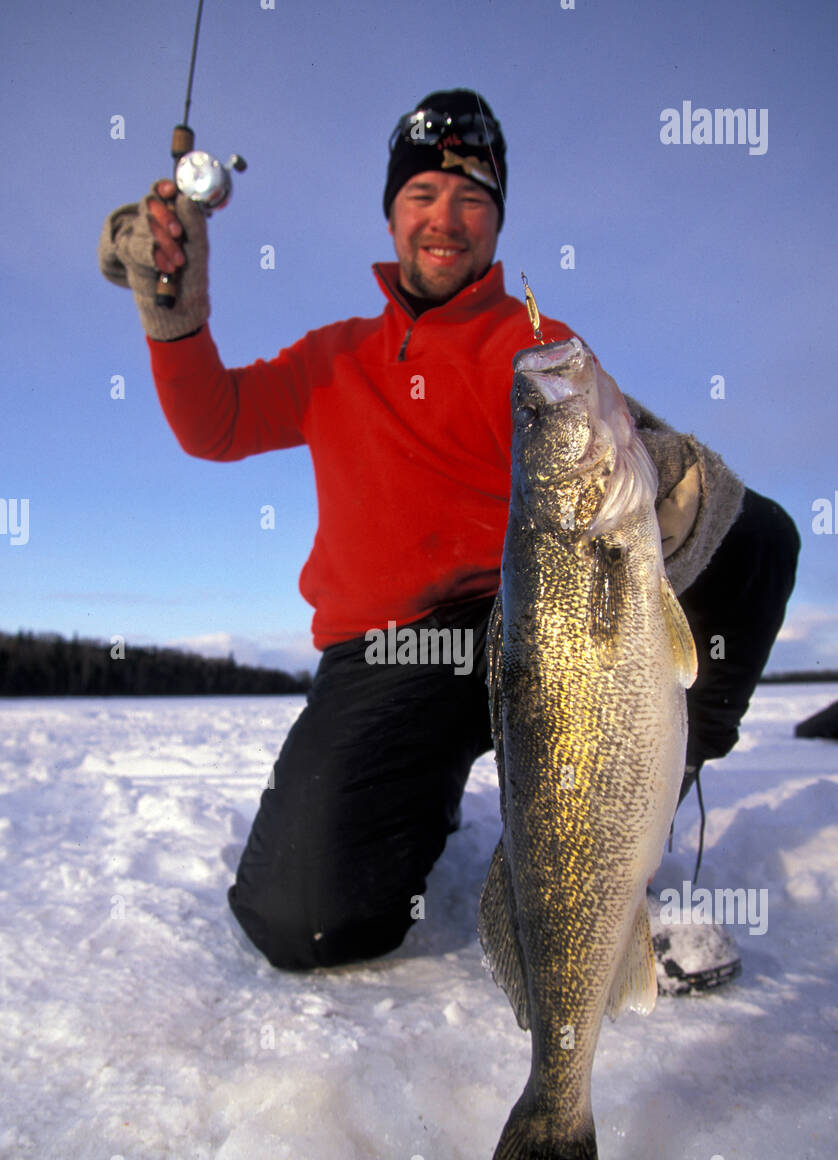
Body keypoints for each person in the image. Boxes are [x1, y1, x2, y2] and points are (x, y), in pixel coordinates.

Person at [98, 89, 799, 990]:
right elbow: (215, 422)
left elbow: (623, 450)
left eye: (472, 197)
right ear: (392, 212)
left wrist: (674, 488)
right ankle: (423, 797)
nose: (445, 219)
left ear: (497, 221)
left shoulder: (538, 345)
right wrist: (175, 314)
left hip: (535, 627)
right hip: (391, 655)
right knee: (302, 922)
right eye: (422, 193)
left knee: (757, 537)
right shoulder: (334, 356)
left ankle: (627, 842)